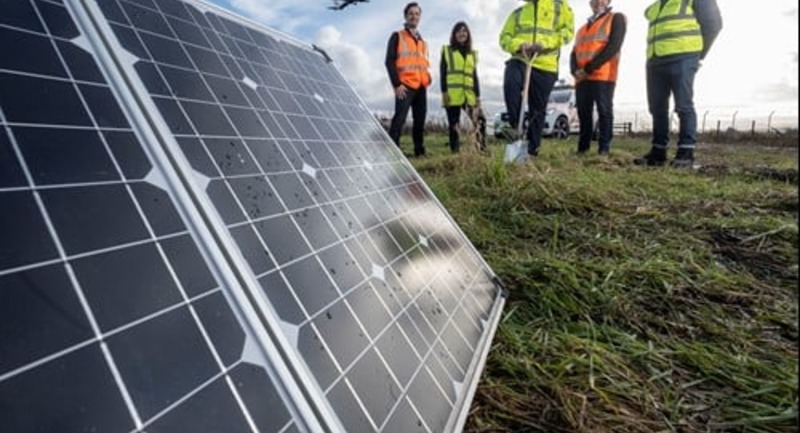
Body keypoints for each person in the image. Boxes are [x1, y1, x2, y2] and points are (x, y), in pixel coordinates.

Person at [634, 0, 722, 167]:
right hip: (655, 59)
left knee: (683, 105)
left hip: (683, 57)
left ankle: (686, 152)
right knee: (657, 108)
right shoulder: (656, 6)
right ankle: (658, 151)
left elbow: (713, 24)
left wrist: (698, 54)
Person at [499, 0, 574, 160]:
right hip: (521, 59)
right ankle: (517, 128)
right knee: (511, 83)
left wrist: (544, 44)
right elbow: (504, 38)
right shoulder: (518, 13)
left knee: (537, 109)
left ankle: (532, 151)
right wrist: (519, 44)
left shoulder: (560, 7)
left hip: (545, 65)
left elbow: (567, 32)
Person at [570, 0, 626, 156]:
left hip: (603, 75)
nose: (598, 2)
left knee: (604, 111)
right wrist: (574, 70)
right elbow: (574, 53)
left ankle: (604, 149)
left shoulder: (616, 18)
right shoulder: (582, 29)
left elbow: (614, 46)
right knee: (583, 112)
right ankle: (583, 148)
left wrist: (589, 68)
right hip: (581, 78)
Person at [385, 2, 432, 158]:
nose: (414, 16)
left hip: (421, 86)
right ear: (406, 16)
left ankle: (419, 151)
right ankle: (393, 151)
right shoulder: (397, 36)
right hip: (404, 85)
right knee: (400, 118)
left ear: (420, 17)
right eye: (411, 13)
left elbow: (423, 63)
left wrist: (427, 79)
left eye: (417, 14)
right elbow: (389, 61)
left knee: (420, 121)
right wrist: (397, 84)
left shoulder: (423, 42)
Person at [440, 21, 487, 153]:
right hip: (452, 94)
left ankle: (481, 148)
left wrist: (477, 96)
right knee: (454, 124)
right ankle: (455, 151)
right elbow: (442, 73)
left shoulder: (472, 54)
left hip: (469, 94)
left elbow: (474, 76)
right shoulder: (447, 51)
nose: (462, 33)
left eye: (464, 31)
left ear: (468, 34)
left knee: (480, 120)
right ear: (454, 34)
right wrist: (444, 92)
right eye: (459, 31)